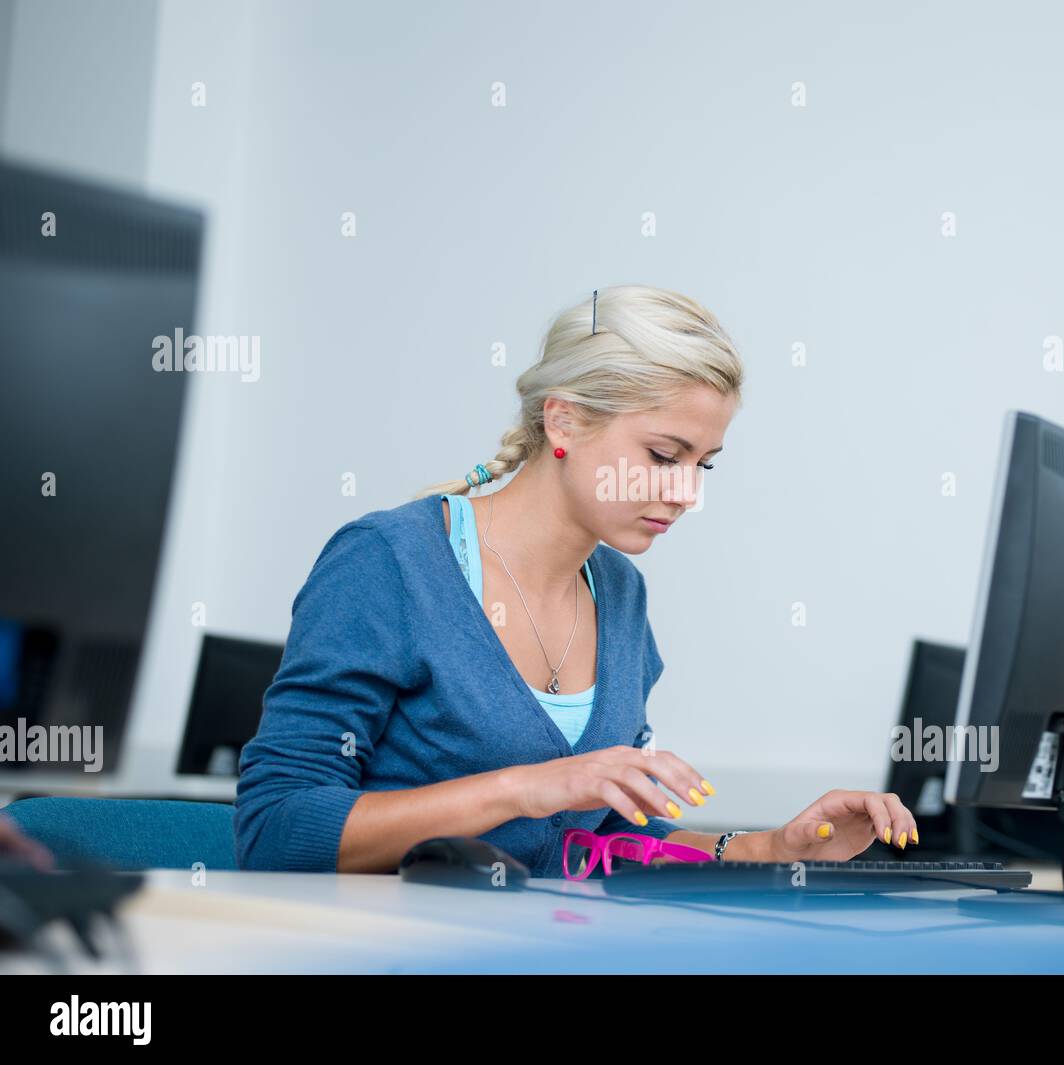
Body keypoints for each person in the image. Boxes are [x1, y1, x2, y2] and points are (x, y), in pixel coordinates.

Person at [234, 284, 917, 875]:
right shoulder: (390, 562)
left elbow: (612, 837)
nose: (685, 492)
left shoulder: (617, 590)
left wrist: (769, 847)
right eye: (663, 454)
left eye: (703, 464)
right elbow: (277, 826)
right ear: (562, 419)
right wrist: (528, 787)